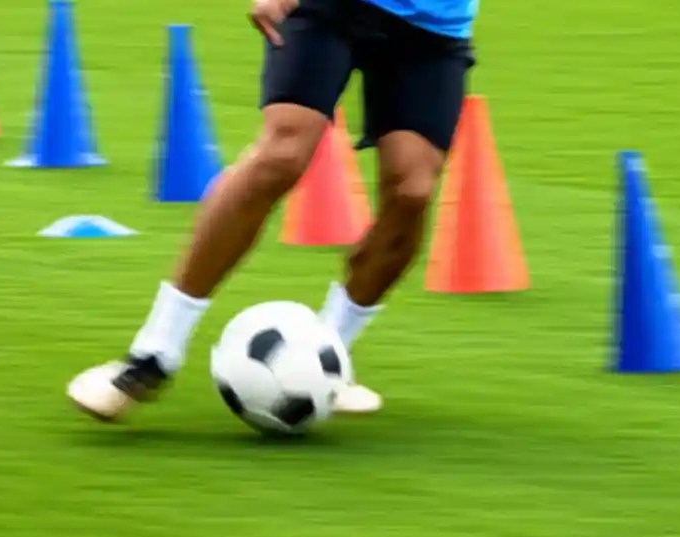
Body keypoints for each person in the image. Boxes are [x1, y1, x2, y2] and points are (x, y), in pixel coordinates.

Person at [68, 0, 478, 421]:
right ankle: (153, 354)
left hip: (434, 25)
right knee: (282, 154)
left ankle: (327, 355)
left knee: (412, 191)